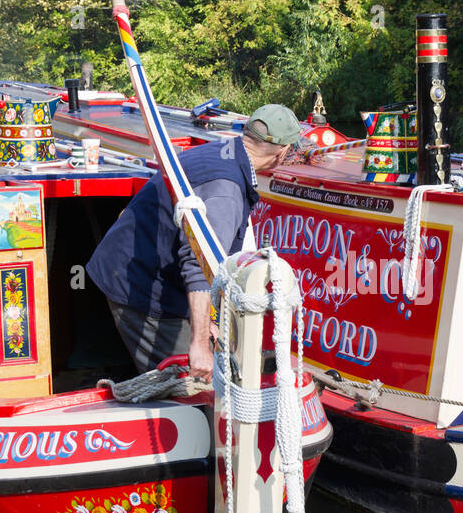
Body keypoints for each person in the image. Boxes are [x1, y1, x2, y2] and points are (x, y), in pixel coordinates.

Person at [87, 103, 302, 380]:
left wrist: (207, 320)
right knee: (193, 385)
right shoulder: (227, 193)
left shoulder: (222, 151)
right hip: (141, 285)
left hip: (131, 265)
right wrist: (199, 343)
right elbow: (198, 264)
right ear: (282, 153)